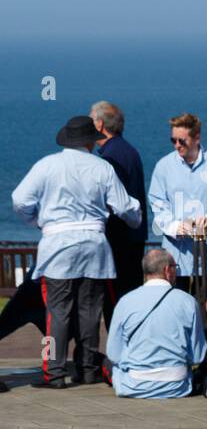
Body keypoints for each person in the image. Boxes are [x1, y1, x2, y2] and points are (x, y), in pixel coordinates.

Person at [11, 115, 141, 388]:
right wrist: (136, 218)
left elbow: (20, 199)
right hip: (94, 244)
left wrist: (38, 221)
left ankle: (54, 373)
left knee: (56, 313)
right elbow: (124, 206)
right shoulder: (102, 167)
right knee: (90, 312)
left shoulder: (47, 165)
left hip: (58, 245)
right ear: (90, 142)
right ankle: (89, 369)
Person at [148, 112, 207, 299]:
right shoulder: (163, 166)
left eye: (182, 141)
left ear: (197, 138)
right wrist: (173, 226)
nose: (177, 146)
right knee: (176, 305)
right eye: (173, 140)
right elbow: (157, 202)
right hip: (176, 254)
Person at [105, 249, 206, 398]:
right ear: (167, 270)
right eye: (175, 267)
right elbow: (197, 355)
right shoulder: (188, 301)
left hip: (135, 383)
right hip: (176, 384)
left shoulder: (125, 301)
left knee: (106, 362)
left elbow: (114, 353)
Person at [91, 101, 149, 320]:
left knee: (116, 301)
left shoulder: (111, 157)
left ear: (99, 124)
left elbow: (116, 202)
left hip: (119, 240)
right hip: (131, 238)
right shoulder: (126, 150)